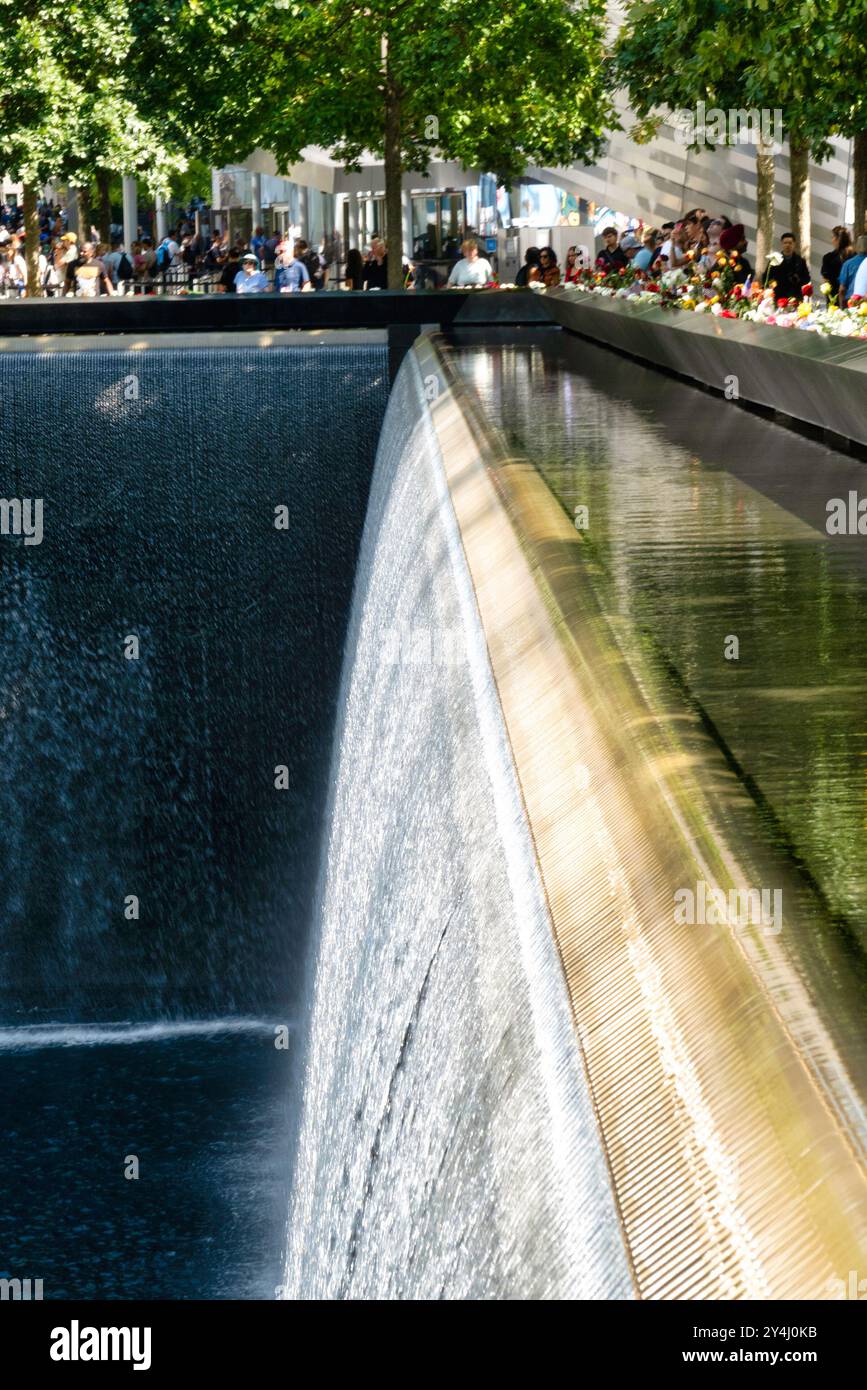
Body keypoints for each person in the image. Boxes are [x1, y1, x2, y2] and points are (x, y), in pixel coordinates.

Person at [767, 232, 810, 302]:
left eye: (790, 243)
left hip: (795, 296)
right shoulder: (775, 260)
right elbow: (767, 277)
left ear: (794, 244)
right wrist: (775, 285)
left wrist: (798, 279)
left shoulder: (800, 261)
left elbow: (807, 278)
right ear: (782, 244)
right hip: (779, 296)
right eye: (785, 243)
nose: (787, 245)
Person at [821, 226, 851, 299]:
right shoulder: (854, 256)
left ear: (837, 239)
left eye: (833, 237)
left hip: (834, 297)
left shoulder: (828, 258)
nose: (832, 239)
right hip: (851, 296)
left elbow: (825, 280)